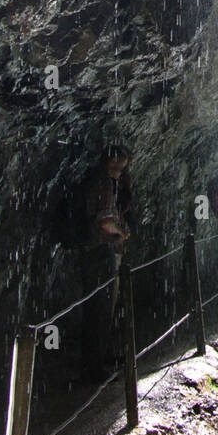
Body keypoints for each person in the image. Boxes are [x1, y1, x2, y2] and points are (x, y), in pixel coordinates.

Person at [79, 143, 133, 379]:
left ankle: (103, 356)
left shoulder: (98, 180)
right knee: (100, 308)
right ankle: (95, 365)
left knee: (102, 307)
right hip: (99, 249)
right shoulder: (102, 183)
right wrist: (122, 232)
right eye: (122, 166)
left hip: (95, 249)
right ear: (112, 163)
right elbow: (104, 221)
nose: (123, 171)